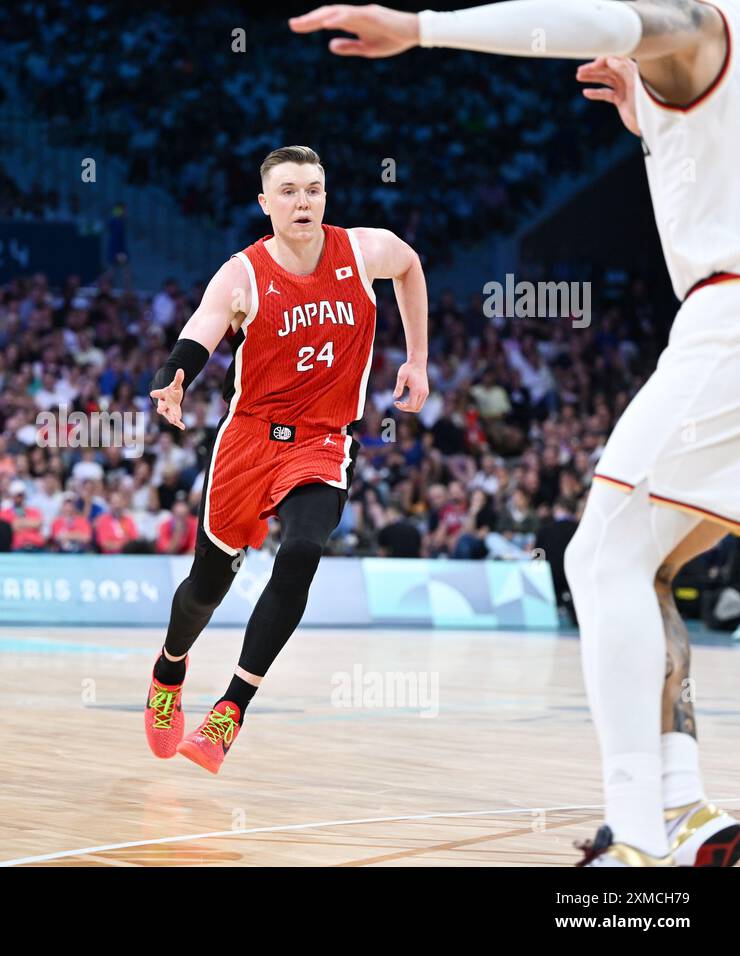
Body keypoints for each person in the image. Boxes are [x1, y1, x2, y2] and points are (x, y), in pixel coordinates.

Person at [292, 0, 740, 867]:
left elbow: (603, 26)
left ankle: (636, 846)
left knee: (598, 558)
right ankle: (685, 809)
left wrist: (421, 27)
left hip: (730, 318)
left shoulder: (702, 22)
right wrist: (649, 110)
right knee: (644, 564)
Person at [145, 146, 429, 774]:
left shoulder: (363, 250)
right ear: (265, 203)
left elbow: (411, 268)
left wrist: (417, 358)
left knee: (302, 550)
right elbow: (203, 325)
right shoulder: (242, 273)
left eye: (314, 189)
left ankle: (231, 708)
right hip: (248, 438)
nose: (303, 202)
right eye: (290, 191)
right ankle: (169, 670)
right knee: (206, 587)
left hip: (324, 439)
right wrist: (174, 377)